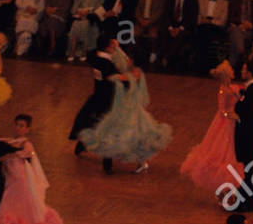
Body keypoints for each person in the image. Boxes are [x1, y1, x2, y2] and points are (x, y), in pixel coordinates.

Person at [76, 43, 171, 174]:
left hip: (130, 110)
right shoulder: (132, 69)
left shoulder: (136, 73)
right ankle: (140, 163)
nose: (128, 60)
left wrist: (111, 76)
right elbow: (122, 60)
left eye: (130, 58)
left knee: (130, 136)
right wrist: (116, 47)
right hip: (124, 108)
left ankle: (139, 163)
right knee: (131, 137)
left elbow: (119, 78)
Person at [69, 33, 130, 173]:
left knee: (92, 123)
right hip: (108, 100)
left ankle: (81, 145)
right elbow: (116, 77)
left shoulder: (95, 57)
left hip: (98, 97)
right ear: (109, 47)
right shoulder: (107, 64)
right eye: (112, 45)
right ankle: (107, 164)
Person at [180, 61, 242, 196]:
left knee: (232, 153)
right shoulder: (223, 90)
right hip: (227, 124)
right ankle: (223, 192)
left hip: (234, 123)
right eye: (230, 71)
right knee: (224, 154)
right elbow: (222, 111)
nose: (232, 72)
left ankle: (229, 192)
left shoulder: (233, 87)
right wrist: (232, 115)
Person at [232, 62, 253, 214]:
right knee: (251, 172)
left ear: (250, 73)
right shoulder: (250, 90)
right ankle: (250, 203)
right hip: (250, 137)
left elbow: (251, 113)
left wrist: (239, 109)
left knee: (250, 172)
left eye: (244, 69)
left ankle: (242, 202)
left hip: (248, 138)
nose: (242, 72)